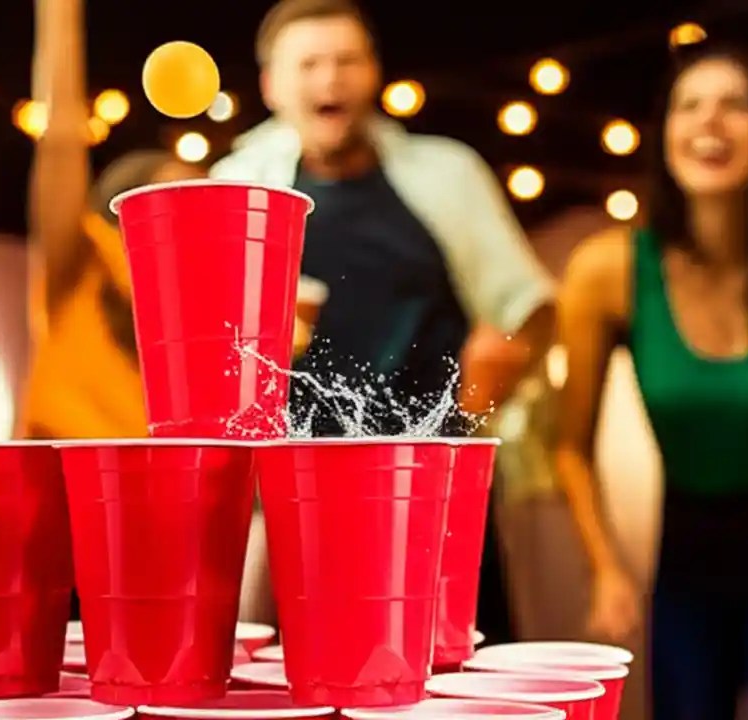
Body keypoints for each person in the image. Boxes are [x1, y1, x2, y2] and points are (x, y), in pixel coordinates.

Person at [211, 0, 557, 640]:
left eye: (346, 60)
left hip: (437, 489)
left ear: (374, 72)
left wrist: (498, 361)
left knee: (456, 670)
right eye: (308, 64)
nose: (330, 78)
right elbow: (209, 350)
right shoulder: (237, 187)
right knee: (308, 672)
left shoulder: (448, 172)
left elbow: (533, 312)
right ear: (271, 85)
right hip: (299, 500)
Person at [554, 44, 748, 720]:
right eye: (688, 106)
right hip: (688, 553)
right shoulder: (607, 270)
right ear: (664, 133)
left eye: (735, 105)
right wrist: (606, 570)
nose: (709, 123)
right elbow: (568, 447)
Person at [21, 0, 204, 442]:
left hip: (166, 483)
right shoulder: (83, 267)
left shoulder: (215, 316)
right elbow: (61, 140)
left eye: (203, 200)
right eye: (171, 198)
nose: (193, 213)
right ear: (121, 222)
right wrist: (60, 15)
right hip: (64, 476)